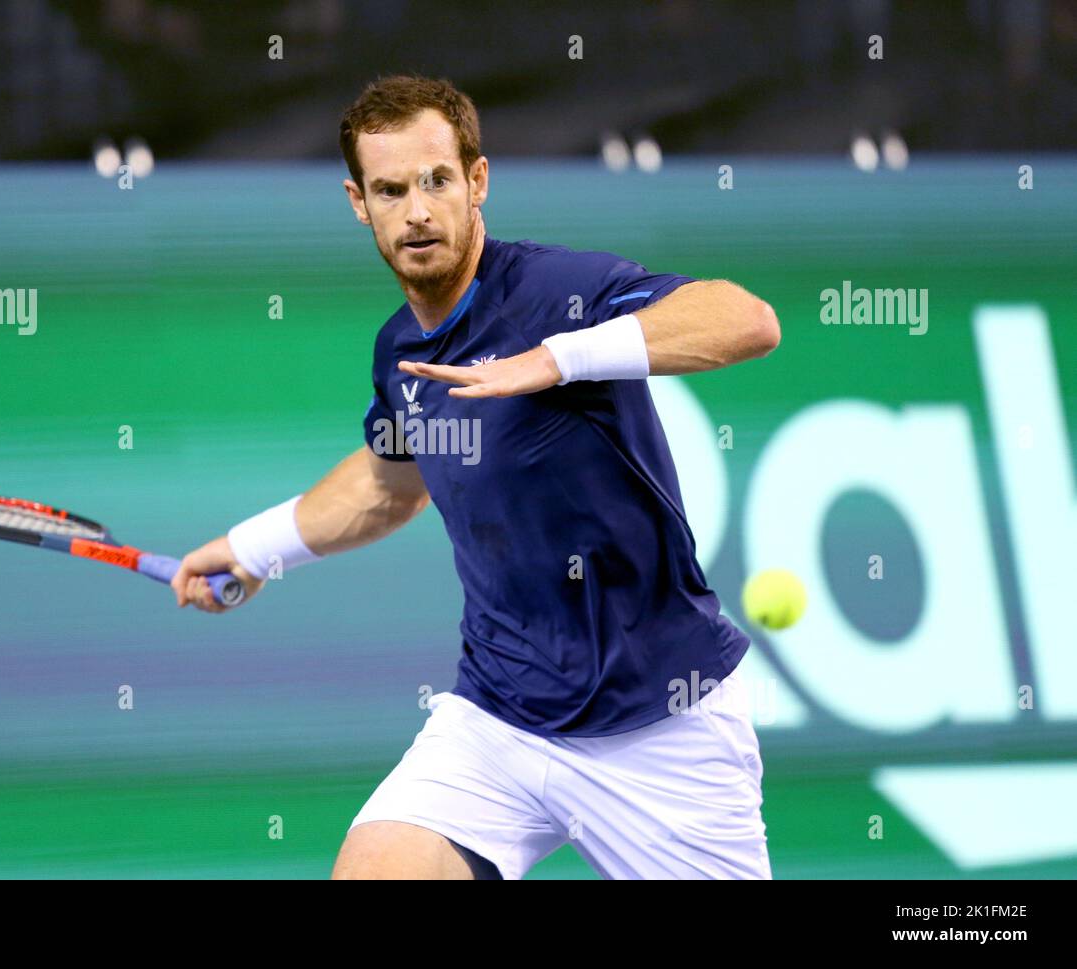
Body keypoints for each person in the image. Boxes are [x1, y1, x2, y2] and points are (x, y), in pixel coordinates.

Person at [172, 74, 780, 880]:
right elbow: (389, 485)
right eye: (390, 190)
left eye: (436, 181)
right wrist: (254, 547)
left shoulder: (560, 292)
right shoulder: (401, 351)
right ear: (359, 202)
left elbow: (746, 321)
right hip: (497, 719)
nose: (417, 211)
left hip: (661, 721)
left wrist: (556, 359)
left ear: (477, 180)